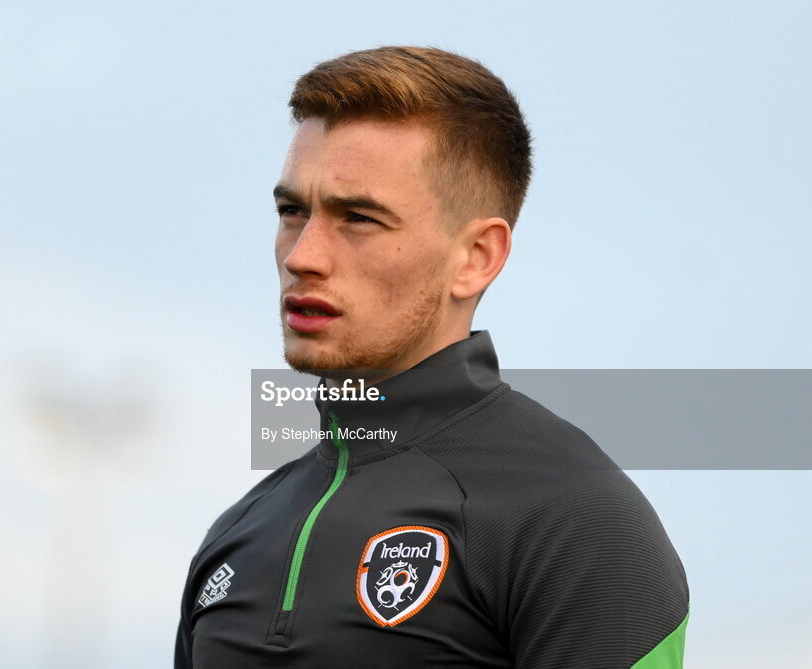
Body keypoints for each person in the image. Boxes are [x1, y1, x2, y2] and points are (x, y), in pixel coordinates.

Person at [174, 46, 689, 668]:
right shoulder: (236, 535)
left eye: (359, 218)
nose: (302, 256)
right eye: (292, 211)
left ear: (476, 257)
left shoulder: (572, 516)